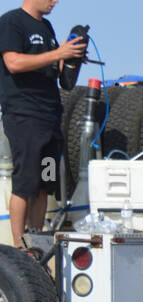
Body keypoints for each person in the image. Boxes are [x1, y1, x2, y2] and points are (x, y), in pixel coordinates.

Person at [0, 0, 84, 248]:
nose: (55, 1)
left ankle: (36, 240)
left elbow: (55, 66)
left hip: (50, 118)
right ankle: (20, 248)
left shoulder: (46, 27)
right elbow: (13, 63)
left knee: (44, 184)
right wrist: (59, 53)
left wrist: (70, 58)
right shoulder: (11, 22)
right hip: (24, 115)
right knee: (26, 182)